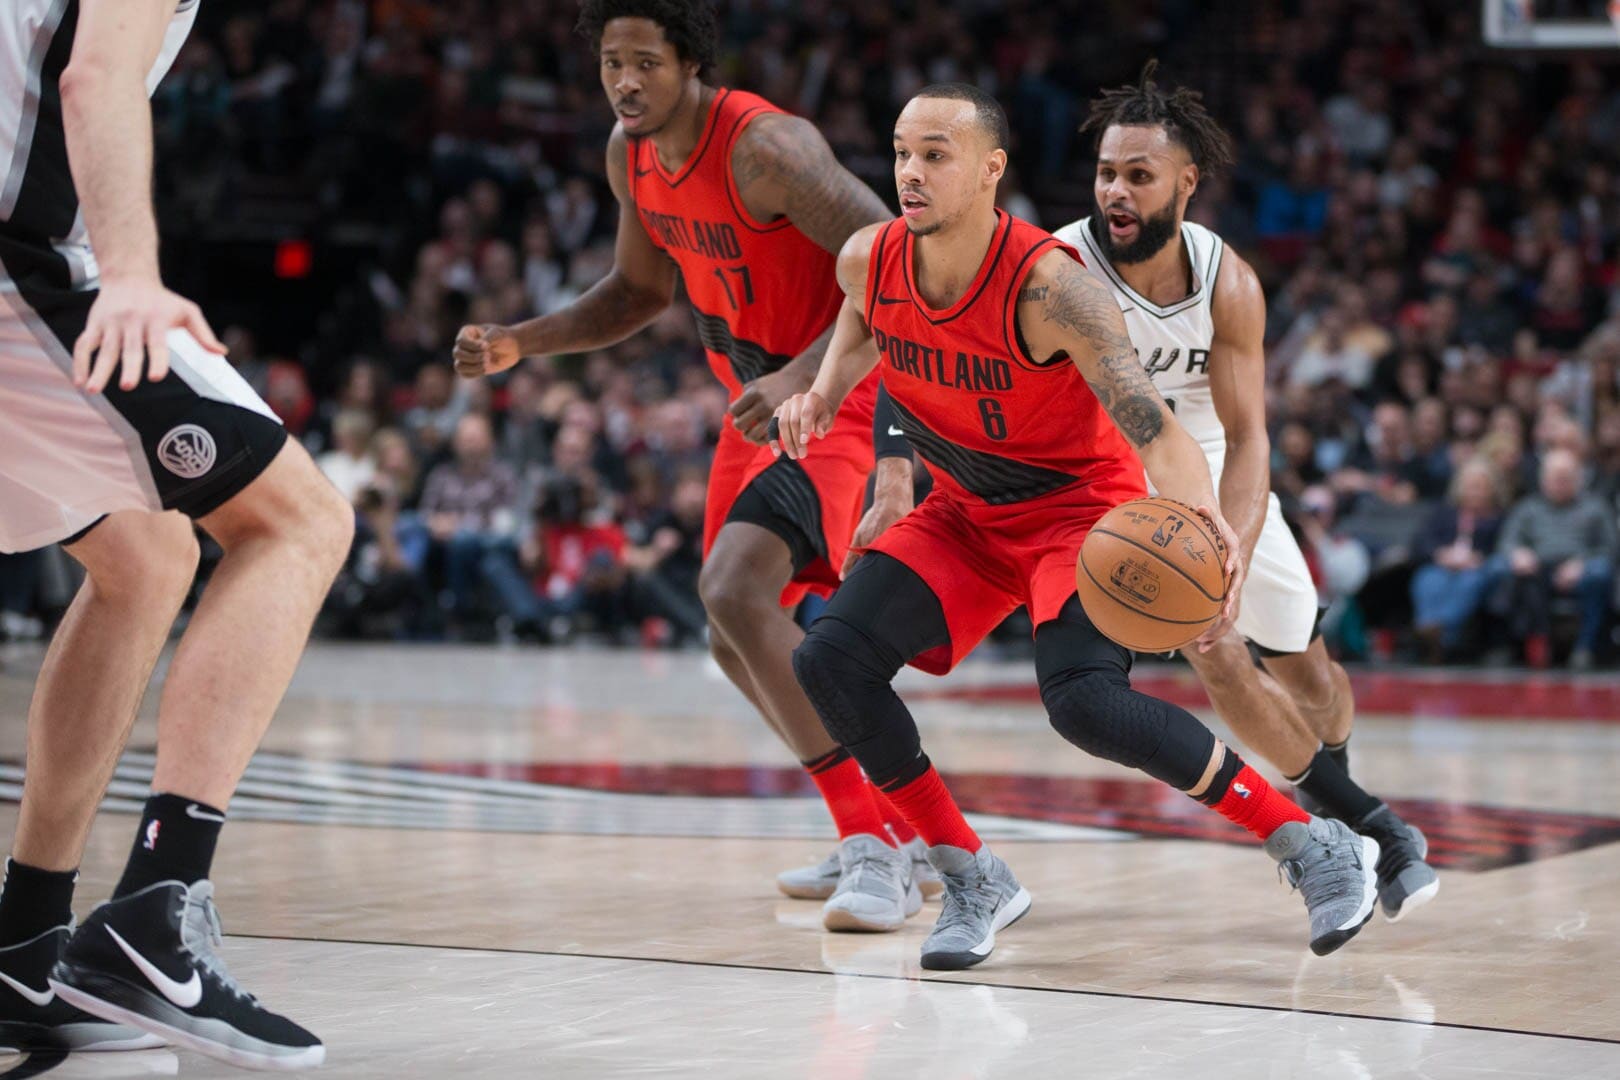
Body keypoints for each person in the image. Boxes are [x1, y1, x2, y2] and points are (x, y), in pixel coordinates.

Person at [774, 84, 1379, 969]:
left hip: (1078, 510)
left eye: (935, 155)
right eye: (902, 152)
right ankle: (971, 873)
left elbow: (1154, 429)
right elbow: (866, 329)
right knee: (827, 659)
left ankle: (1310, 841)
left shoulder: (1055, 290)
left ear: (990, 171)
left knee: (1085, 704)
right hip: (967, 510)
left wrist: (1215, 546)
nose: (910, 172)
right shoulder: (868, 258)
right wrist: (825, 395)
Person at [452, 0, 934, 929]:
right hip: (756, 404)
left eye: (645, 63)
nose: (625, 82)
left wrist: (806, 376)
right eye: (610, 63)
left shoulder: (769, 149)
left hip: (841, 390)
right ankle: (886, 829)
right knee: (730, 631)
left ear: (691, 65)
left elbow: (898, 264)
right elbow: (639, 290)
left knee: (733, 590)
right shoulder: (628, 153)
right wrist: (524, 341)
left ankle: (877, 848)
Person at [0, 0, 350, 1065]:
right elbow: (93, 80)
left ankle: (21, 948)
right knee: (298, 524)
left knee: (147, 555)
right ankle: (158, 906)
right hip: (21, 267)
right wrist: (137, 277)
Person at [1053, 64, 1436, 923]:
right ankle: (1364, 822)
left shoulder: (1228, 283)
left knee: (1309, 669)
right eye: (1107, 171)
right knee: (1214, 644)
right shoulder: (1061, 266)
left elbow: (1251, 433)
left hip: (1221, 462)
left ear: (1186, 182)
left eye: (1138, 174)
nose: (1116, 189)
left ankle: (1335, 773)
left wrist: (1232, 539)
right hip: (1116, 474)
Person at [1487, 447, 1617, 669]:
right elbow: (1506, 542)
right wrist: (1519, 554)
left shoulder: (1595, 508)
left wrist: (1581, 564)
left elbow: (1610, 547)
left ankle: (1584, 648)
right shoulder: (1527, 508)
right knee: (1499, 568)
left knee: (1600, 572)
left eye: (1565, 478)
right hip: (1536, 568)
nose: (1559, 483)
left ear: (1578, 479)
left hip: (1580, 569)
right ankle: (1510, 645)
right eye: (1555, 478)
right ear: (1543, 479)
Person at [1410, 458, 1504, 660]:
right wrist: (1441, 554)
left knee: (1470, 582)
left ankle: (1440, 630)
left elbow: (1502, 547)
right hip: (1443, 564)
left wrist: (1479, 558)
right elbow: (1422, 541)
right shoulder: (1444, 513)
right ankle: (1428, 628)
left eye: (1480, 487)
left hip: (1476, 568)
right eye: (1470, 486)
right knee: (1428, 579)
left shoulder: (1498, 518)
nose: (1475, 492)